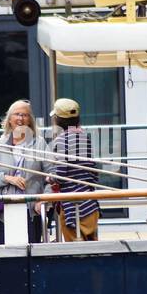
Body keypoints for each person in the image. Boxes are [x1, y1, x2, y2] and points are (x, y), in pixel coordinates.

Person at [0, 99, 49, 244]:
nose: (20, 118)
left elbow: (53, 175)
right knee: (3, 258)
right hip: (3, 213)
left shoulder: (39, 143)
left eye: (25, 115)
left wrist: (43, 200)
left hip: (30, 212)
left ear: (30, 120)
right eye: (17, 114)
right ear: (9, 119)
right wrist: (6, 178)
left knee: (30, 257)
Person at [47, 97, 100, 242]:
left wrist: (49, 178)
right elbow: (94, 173)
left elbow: (61, 175)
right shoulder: (85, 137)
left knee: (76, 252)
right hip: (90, 204)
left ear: (57, 120)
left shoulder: (61, 140)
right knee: (94, 252)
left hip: (72, 208)